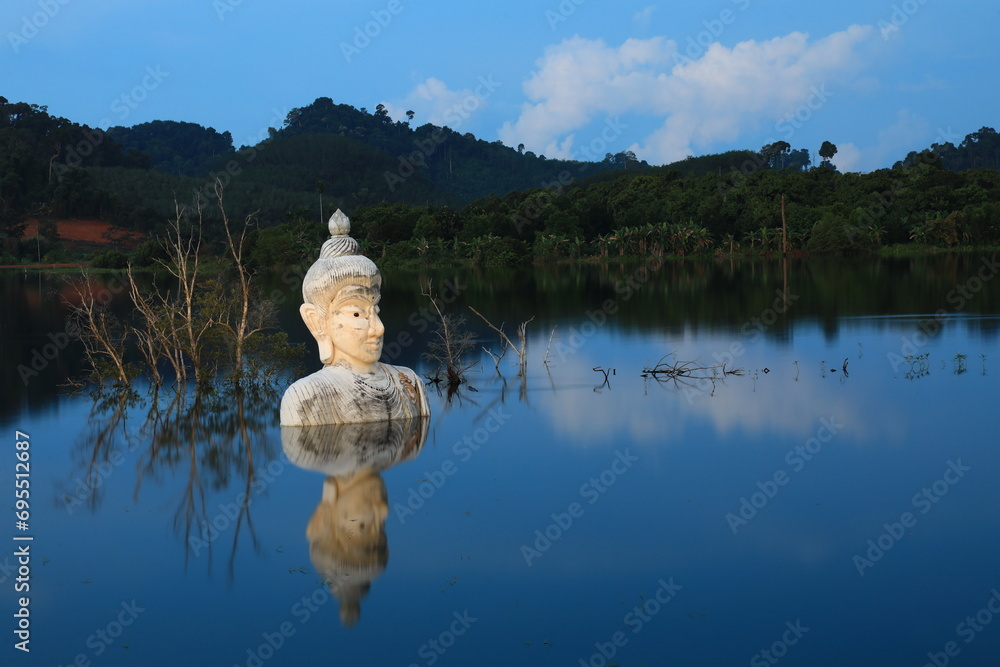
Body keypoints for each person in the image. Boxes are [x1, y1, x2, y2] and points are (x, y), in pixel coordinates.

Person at [280, 210, 430, 425]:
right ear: (316, 321)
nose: (378, 329)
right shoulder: (306, 396)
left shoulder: (409, 382)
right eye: (357, 314)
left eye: (375, 311)